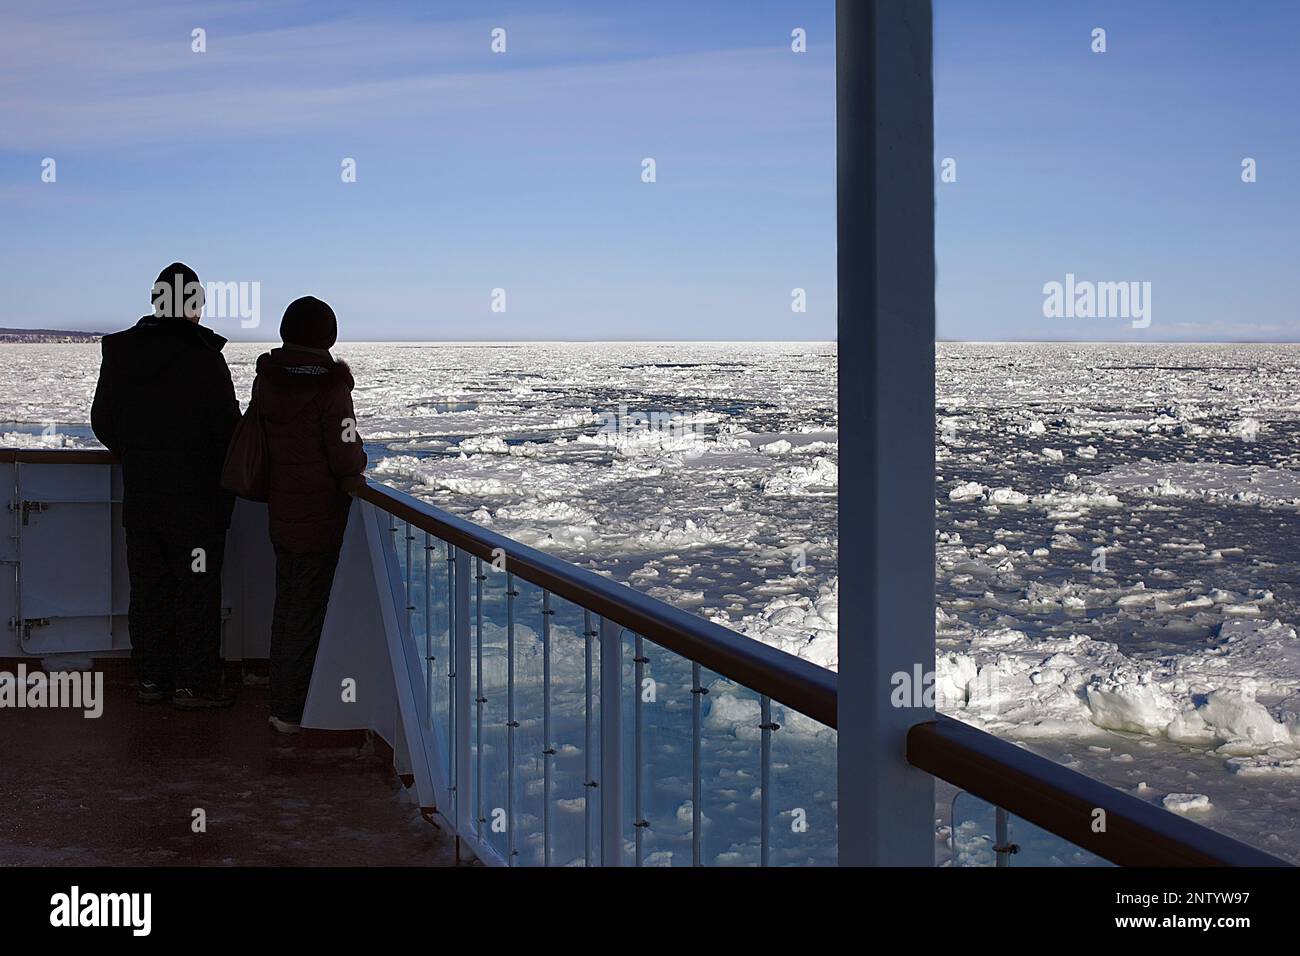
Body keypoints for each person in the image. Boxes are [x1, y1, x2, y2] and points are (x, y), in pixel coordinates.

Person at [91, 263, 240, 708]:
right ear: (193, 305)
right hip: (197, 504)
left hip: (143, 499)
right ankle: (194, 685)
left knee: (150, 587)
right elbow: (227, 430)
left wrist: (137, 455)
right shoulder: (204, 357)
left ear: (156, 300)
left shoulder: (120, 353)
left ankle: (151, 680)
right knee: (196, 589)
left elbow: (103, 421)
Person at [251, 296, 366, 734]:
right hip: (320, 516)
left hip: (282, 511)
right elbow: (346, 454)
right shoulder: (331, 388)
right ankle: (291, 709)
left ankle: (282, 700)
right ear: (327, 337)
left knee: (287, 604)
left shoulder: (268, 382)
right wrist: (359, 462)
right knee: (309, 610)